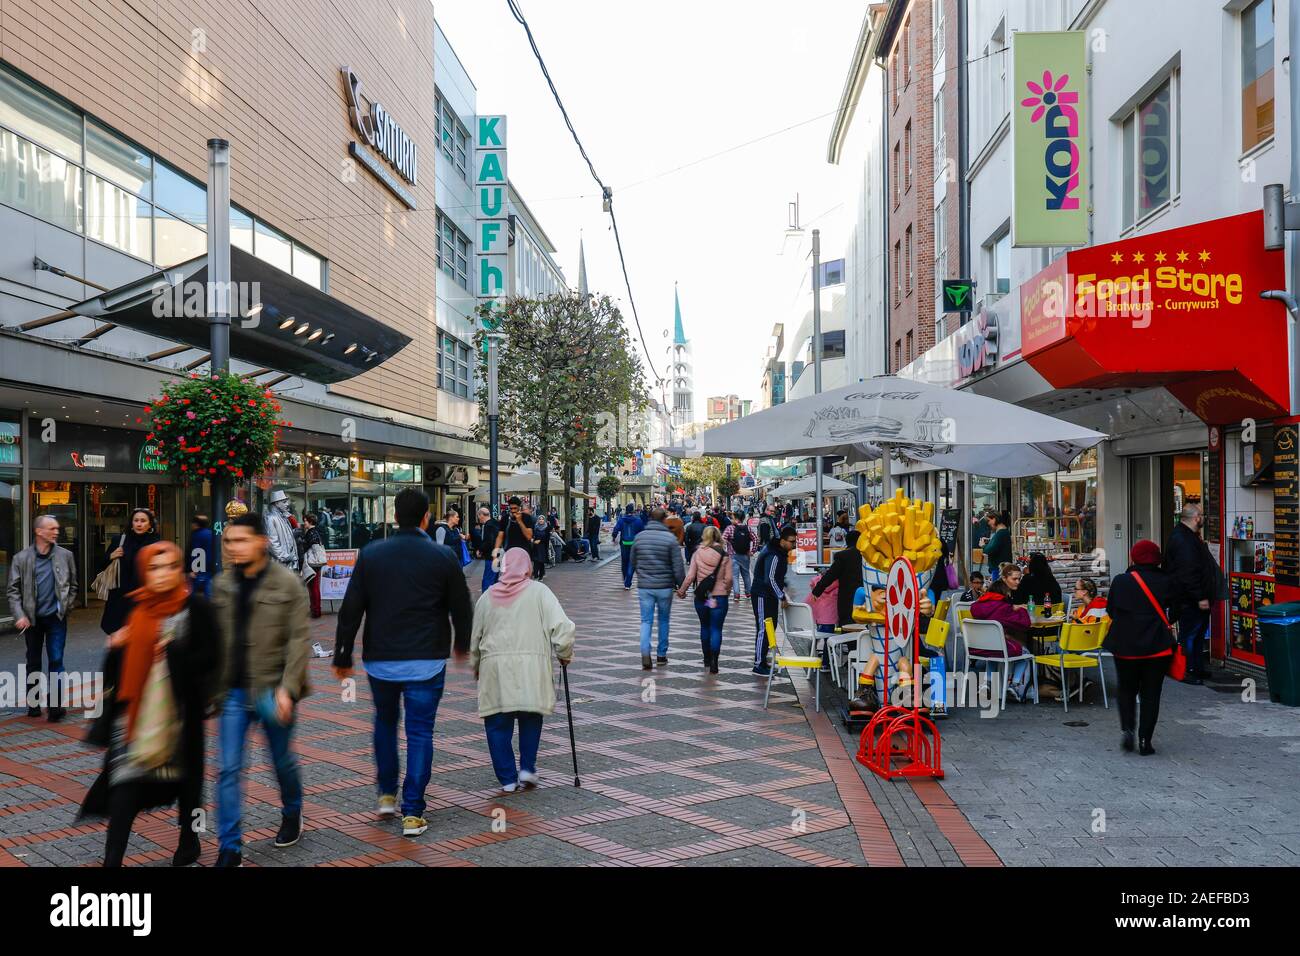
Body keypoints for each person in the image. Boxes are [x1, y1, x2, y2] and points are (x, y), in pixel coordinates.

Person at [334, 488, 472, 836]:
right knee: (420, 732)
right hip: (426, 659)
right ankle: (412, 811)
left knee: (384, 722)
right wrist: (463, 645)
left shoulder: (372, 554)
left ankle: (385, 794)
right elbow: (462, 607)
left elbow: (352, 608)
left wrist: (342, 653)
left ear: (395, 516)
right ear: (426, 517)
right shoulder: (443, 556)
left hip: (382, 659)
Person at [79, 541, 218, 867]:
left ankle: (190, 838)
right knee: (124, 789)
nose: (162, 574)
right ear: (143, 572)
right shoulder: (136, 610)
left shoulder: (197, 609)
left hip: (180, 719)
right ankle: (112, 859)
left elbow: (211, 659)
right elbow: (115, 672)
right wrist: (115, 648)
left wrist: (169, 652)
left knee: (189, 788)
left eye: (170, 566)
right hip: (135, 719)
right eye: (154, 568)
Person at [211, 513, 311, 867]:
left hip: (272, 689)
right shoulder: (222, 584)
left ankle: (292, 811)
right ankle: (230, 846)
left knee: (281, 761)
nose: (233, 548)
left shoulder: (287, 584)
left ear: (261, 542)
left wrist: (288, 689)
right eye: (229, 542)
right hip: (234, 693)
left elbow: (299, 640)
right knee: (228, 768)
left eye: (240, 541)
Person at [470, 548, 575, 793]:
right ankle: (527, 767)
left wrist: (476, 665)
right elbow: (563, 628)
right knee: (530, 716)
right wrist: (564, 654)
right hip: (531, 667)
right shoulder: (540, 592)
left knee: (497, 722)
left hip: (495, 669)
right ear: (527, 567)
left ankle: (507, 778)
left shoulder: (488, 596)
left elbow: (475, 636)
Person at [1103, 540, 1177, 755]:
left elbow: (1111, 611)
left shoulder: (1121, 581)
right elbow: (1177, 607)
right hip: (1157, 646)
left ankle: (1127, 730)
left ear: (1133, 557)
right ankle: (1145, 740)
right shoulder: (1166, 580)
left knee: (1126, 689)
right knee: (1151, 694)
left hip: (1125, 645)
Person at [7, 515, 77, 720]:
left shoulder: (66, 555)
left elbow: (73, 585)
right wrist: (19, 615)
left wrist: (67, 606)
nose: (56, 531)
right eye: (52, 528)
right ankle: (34, 704)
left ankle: (55, 708)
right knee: (33, 662)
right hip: (32, 619)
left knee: (56, 660)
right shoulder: (21, 558)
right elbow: (13, 591)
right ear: (39, 531)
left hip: (56, 618)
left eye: (57, 528)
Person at [1164, 503, 1218, 684]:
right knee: (1190, 634)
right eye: (1202, 515)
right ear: (1196, 518)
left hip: (1192, 597)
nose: (1203, 518)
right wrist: (1200, 596)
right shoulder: (1183, 539)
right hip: (1190, 599)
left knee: (1197, 633)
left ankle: (1196, 668)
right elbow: (1188, 572)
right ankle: (1186, 670)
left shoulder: (1186, 536)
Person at [630, 507, 685, 669]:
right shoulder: (670, 539)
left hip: (645, 586)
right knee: (663, 620)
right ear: (664, 520)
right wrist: (681, 585)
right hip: (665, 586)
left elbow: (633, 562)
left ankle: (645, 652)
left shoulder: (639, 538)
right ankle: (661, 654)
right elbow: (678, 566)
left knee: (646, 621)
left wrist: (641, 573)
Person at [677, 525, 733, 673]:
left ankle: (707, 658)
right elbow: (728, 579)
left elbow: (690, 576)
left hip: (702, 597)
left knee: (704, 626)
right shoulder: (725, 555)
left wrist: (682, 590)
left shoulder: (697, 553)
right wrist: (726, 590)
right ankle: (715, 661)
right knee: (716, 628)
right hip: (719, 597)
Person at [968, 578, 1033, 701]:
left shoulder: (975, 607)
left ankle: (986, 684)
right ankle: (1014, 685)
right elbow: (1024, 624)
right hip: (998, 648)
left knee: (993, 652)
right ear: (1004, 592)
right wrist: (1022, 610)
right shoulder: (1003, 608)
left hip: (979, 647)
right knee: (1025, 653)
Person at [101, 508, 161, 636]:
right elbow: (102, 564)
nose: (139, 524)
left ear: (150, 524)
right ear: (131, 523)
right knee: (119, 637)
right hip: (120, 598)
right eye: (136, 521)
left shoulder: (156, 543)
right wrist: (111, 556)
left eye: (143, 521)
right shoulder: (119, 541)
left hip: (145, 597)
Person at [751, 525, 796, 676]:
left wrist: (784, 586)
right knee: (764, 628)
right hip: (762, 595)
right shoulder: (774, 554)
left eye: (795, 542)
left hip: (767, 594)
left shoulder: (778, 552)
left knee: (770, 626)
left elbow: (775, 577)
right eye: (791, 542)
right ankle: (758, 664)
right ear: (782, 540)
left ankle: (763, 659)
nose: (793, 545)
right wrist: (781, 595)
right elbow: (769, 579)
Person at [811, 529, 864, 627]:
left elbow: (830, 575)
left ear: (847, 541)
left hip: (848, 600)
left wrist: (817, 590)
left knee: (848, 625)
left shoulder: (843, 556)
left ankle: (849, 642)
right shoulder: (867, 555)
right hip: (866, 599)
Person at [264, 489, 299, 571]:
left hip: (288, 563)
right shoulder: (270, 518)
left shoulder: (283, 517)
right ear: (276, 503)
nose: (287, 504)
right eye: (284, 502)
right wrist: (285, 557)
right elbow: (272, 542)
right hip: (280, 564)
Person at [299, 513, 326, 619]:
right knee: (314, 587)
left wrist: (300, 541)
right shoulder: (316, 532)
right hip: (316, 563)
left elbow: (306, 547)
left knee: (313, 587)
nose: (304, 523)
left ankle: (316, 610)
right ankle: (316, 609)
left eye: (305, 521)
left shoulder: (311, 533)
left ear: (310, 522)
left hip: (312, 563)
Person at [611, 503, 644, 591]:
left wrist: (614, 537)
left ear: (626, 511)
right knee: (632, 563)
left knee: (624, 562)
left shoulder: (621, 520)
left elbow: (616, 529)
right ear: (633, 511)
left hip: (624, 544)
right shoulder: (638, 520)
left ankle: (625, 578)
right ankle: (628, 582)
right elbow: (642, 532)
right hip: (634, 544)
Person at [722, 510, 754, 600]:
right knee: (746, 574)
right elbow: (755, 539)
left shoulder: (730, 528)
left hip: (733, 555)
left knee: (735, 576)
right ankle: (748, 593)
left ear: (735, 518)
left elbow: (722, 539)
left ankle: (737, 594)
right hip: (745, 555)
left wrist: (727, 545)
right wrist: (752, 551)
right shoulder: (748, 528)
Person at [187, 514, 216, 600]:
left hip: (200, 567)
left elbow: (196, 552)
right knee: (208, 590)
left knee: (192, 591)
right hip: (209, 566)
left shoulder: (197, 535)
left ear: (195, 524)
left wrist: (194, 569)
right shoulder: (210, 533)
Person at [982, 511, 1012, 579]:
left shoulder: (1000, 533)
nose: (988, 523)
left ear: (994, 519)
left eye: (989, 520)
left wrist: (983, 546)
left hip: (998, 568)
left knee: (997, 588)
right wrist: (990, 541)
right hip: (1000, 568)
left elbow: (990, 549)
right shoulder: (1002, 532)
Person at [476, 507, 500, 590]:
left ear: (481, 515)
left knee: (488, 579)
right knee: (495, 579)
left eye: (478, 516)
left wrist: (480, 549)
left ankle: (485, 599)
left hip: (491, 556)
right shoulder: (496, 523)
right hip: (498, 555)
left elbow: (489, 541)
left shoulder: (488, 525)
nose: (478, 519)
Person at [530, 515, 551, 580]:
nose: (541, 520)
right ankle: (536, 575)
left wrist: (541, 540)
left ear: (544, 520)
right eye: (540, 519)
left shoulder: (546, 528)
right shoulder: (535, 527)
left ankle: (541, 576)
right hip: (536, 546)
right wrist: (532, 540)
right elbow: (532, 535)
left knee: (541, 562)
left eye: (542, 519)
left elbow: (547, 538)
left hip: (543, 547)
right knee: (536, 561)